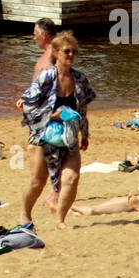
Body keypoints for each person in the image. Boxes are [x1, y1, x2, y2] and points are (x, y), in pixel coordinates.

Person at [20, 31, 96, 229]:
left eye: (73, 52)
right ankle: (25, 216)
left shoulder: (80, 79)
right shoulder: (46, 77)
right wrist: (53, 115)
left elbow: (83, 108)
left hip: (69, 136)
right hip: (42, 137)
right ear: (56, 53)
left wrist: (85, 134)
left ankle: (60, 220)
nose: (70, 55)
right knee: (38, 182)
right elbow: (27, 105)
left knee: (72, 177)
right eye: (66, 51)